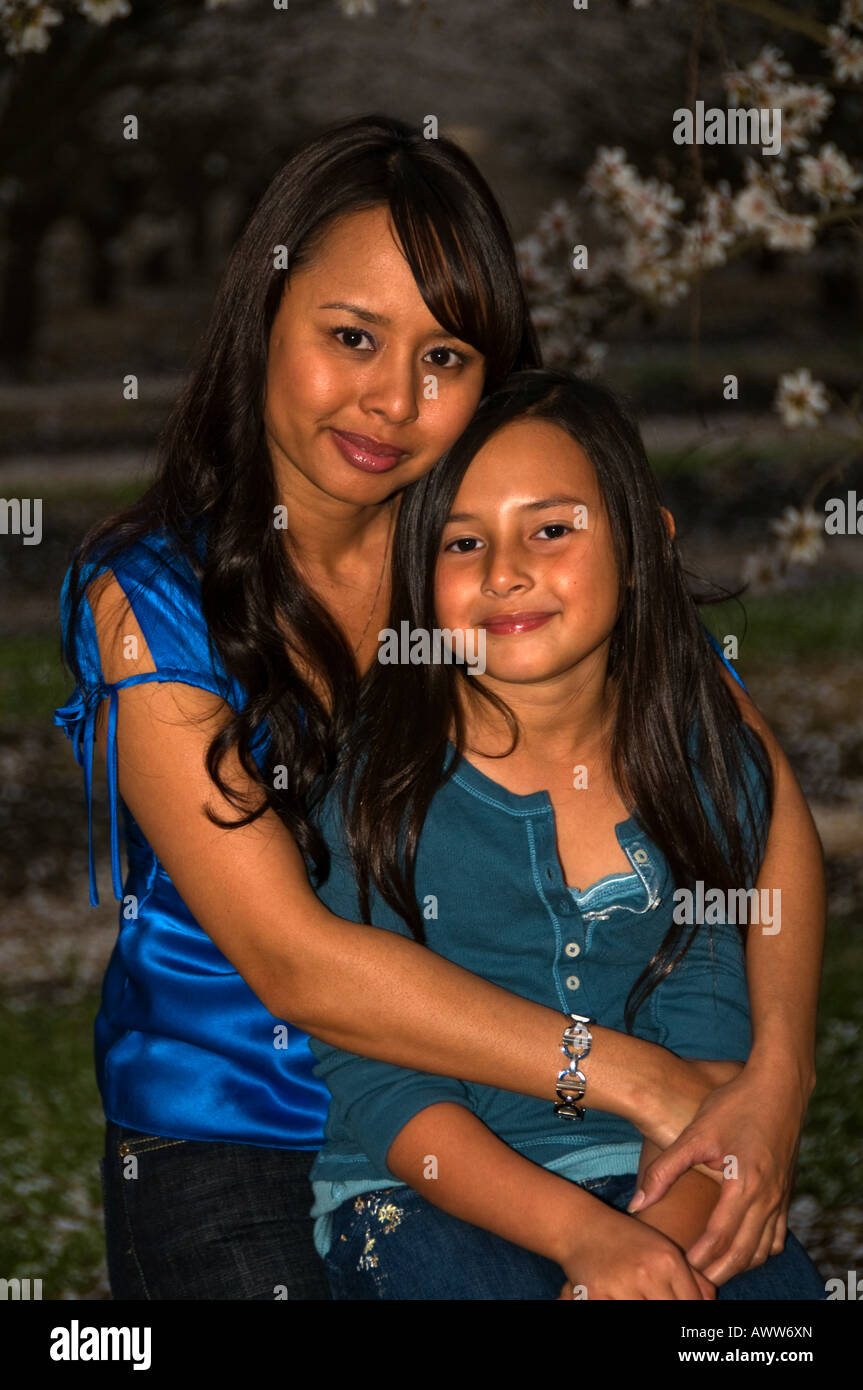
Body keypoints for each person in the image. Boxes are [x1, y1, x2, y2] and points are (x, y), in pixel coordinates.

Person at [55, 115, 824, 1301]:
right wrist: (636, 1075)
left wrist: (774, 1074)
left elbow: (753, 794)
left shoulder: (479, 569)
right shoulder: (150, 605)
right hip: (237, 1128)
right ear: (263, 315)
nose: (390, 400)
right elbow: (298, 964)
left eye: (445, 357)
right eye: (352, 337)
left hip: (498, 1121)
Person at [308, 368, 826, 1300]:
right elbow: (384, 1087)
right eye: (464, 542)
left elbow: (712, 1061)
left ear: (639, 548)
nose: (506, 572)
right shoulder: (374, 791)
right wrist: (581, 1241)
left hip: (670, 1184)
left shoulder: (704, 771)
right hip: (425, 1192)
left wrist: (647, 1255)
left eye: (551, 529)